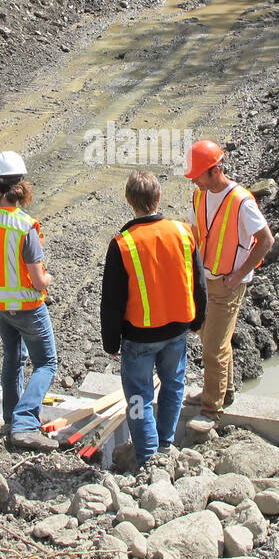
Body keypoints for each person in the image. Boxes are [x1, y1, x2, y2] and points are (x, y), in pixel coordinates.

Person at [101, 171, 206, 466]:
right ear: (159, 198)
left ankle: (147, 457)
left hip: (139, 336)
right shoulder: (184, 233)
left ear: (128, 201)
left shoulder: (123, 244)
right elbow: (198, 282)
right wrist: (198, 320)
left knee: (138, 397)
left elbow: (112, 301)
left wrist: (111, 341)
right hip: (176, 330)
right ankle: (164, 446)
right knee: (174, 386)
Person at [184, 139, 274, 433]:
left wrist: (238, 276)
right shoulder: (199, 196)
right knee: (215, 340)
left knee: (213, 347)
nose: (194, 180)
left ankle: (211, 409)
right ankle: (226, 391)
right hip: (207, 280)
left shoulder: (241, 201)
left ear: (213, 170)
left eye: (197, 175)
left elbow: (266, 242)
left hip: (227, 283)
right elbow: (196, 233)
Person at [0, 151, 59, 451]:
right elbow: (37, 279)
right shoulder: (25, 226)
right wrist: (47, 280)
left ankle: (11, 418)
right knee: (46, 362)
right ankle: (24, 423)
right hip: (26, 305)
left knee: (13, 357)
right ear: (22, 185)